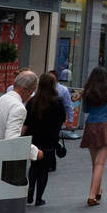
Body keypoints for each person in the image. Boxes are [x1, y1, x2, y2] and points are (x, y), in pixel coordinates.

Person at [79, 66, 107, 206]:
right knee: (100, 162)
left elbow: (86, 109)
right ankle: (92, 195)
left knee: (95, 162)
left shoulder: (88, 90)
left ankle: (98, 190)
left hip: (91, 125)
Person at [22, 72, 64, 205]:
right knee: (44, 170)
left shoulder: (32, 101)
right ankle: (39, 198)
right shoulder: (57, 101)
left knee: (34, 166)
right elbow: (62, 119)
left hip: (34, 139)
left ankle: (30, 193)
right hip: (49, 140)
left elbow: (26, 121)